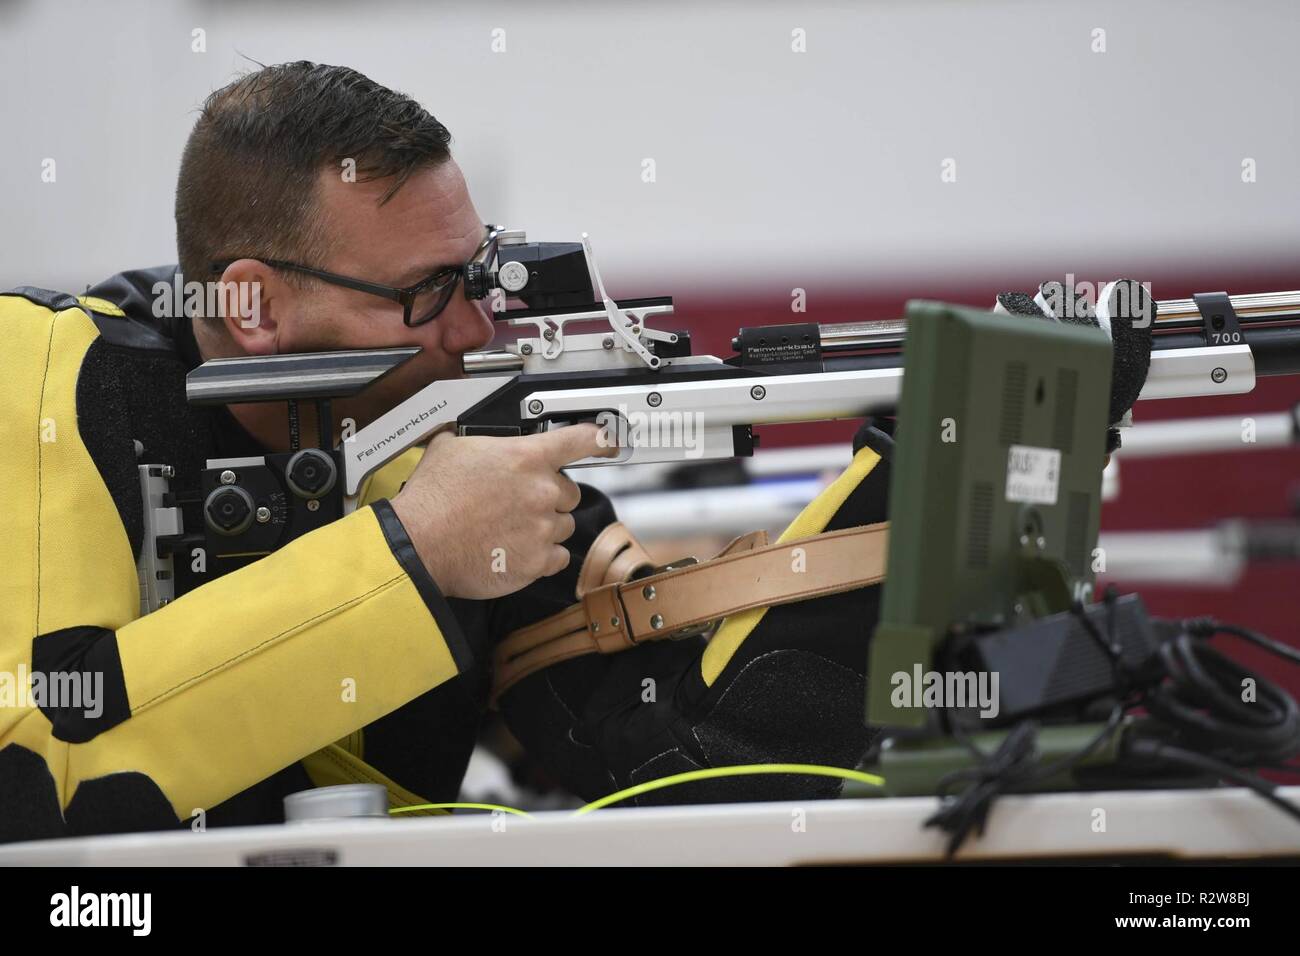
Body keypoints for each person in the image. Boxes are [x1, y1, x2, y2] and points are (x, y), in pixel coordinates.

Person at [0, 62, 892, 842]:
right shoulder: (49, 384)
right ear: (253, 311)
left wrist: (904, 490)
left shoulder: (439, 432)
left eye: (474, 277)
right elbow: (39, 775)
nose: (472, 329)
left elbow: (690, 761)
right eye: (426, 292)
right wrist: (414, 554)